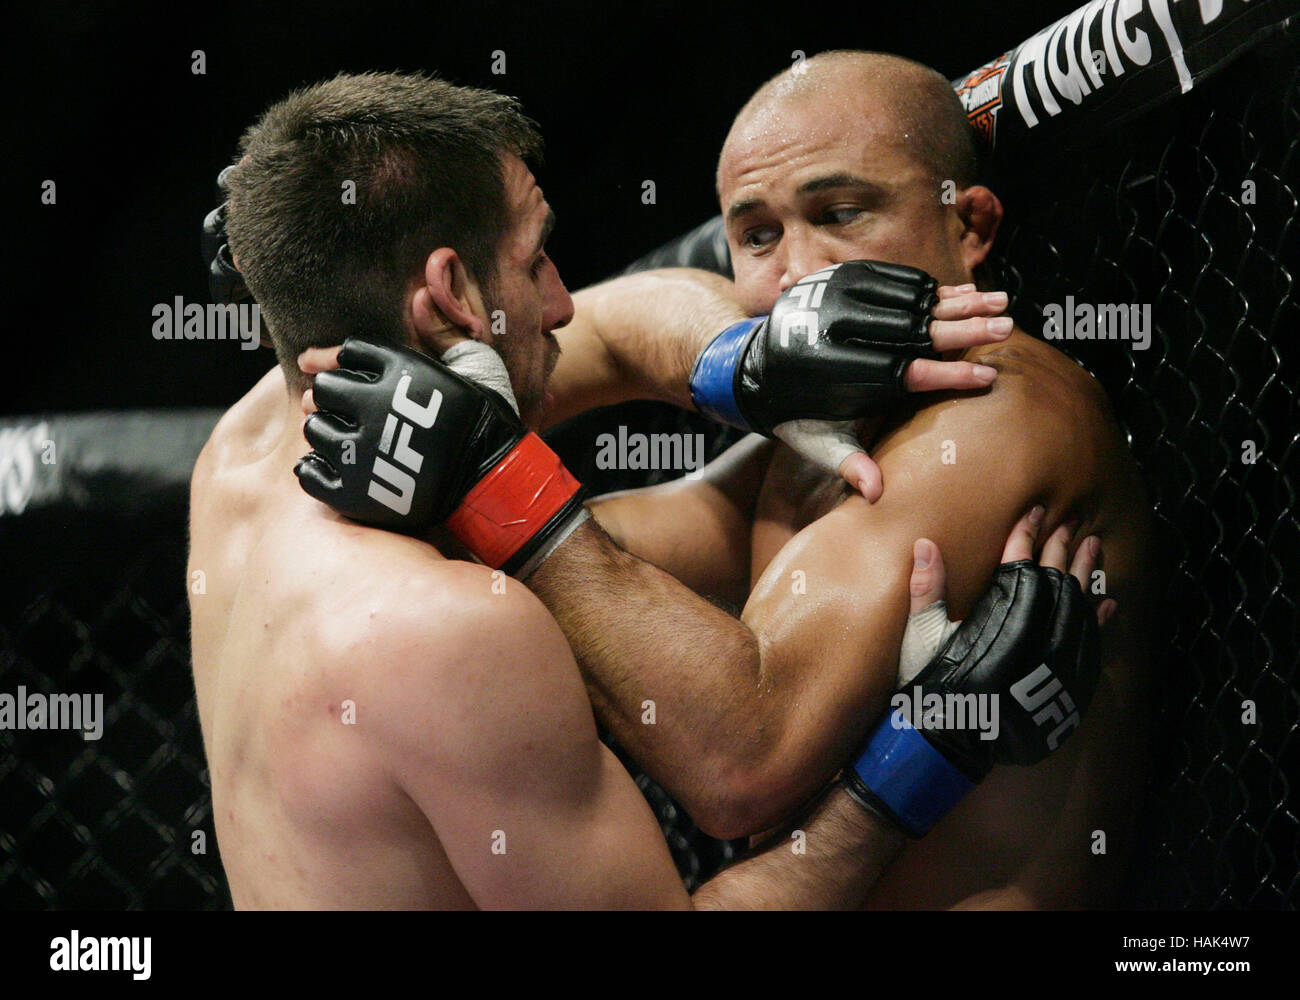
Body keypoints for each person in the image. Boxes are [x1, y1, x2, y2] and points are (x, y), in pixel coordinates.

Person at [191, 71, 1104, 908]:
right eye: (538, 260)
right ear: (454, 298)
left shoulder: (241, 458)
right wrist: (920, 762)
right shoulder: (450, 626)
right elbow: (744, 757)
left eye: (843, 214)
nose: (564, 302)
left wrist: (745, 360)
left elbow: (620, 335)